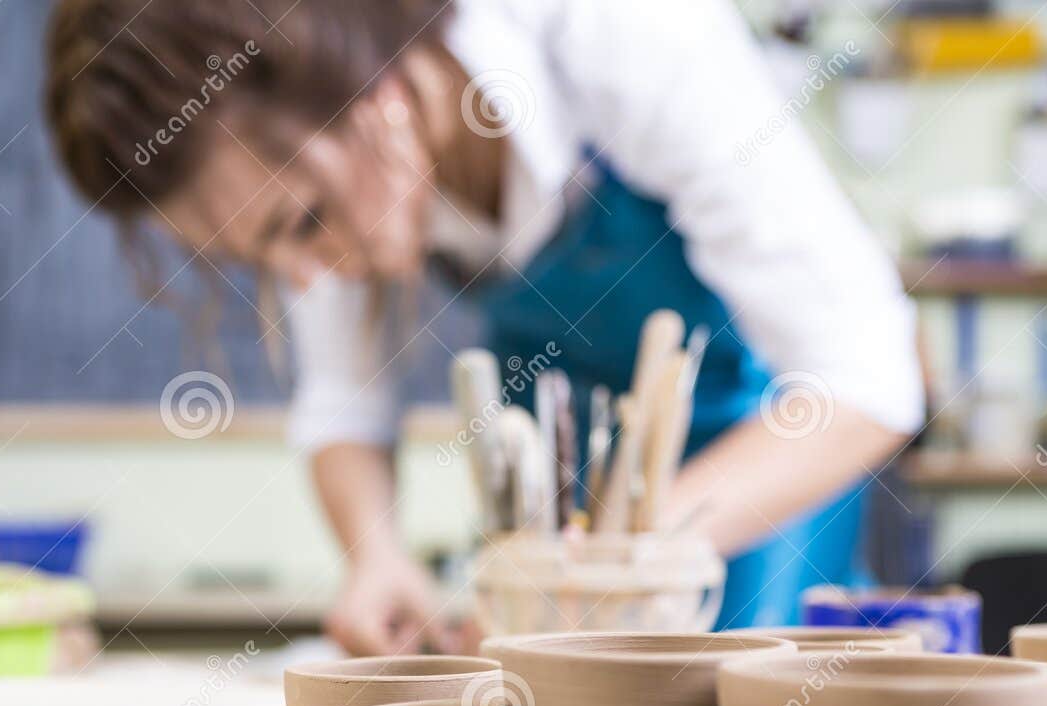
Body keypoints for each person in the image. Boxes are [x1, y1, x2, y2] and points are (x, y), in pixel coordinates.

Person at [47, 0, 923, 654]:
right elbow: (345, 400)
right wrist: (376, 555)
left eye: (304, 224)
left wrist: (636, 553)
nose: (307, 276)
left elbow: (869, 377)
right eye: (263, 259)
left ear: (378, 99)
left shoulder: (623, 36)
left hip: (763, 452)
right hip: (579, 495)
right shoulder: (336, 146)